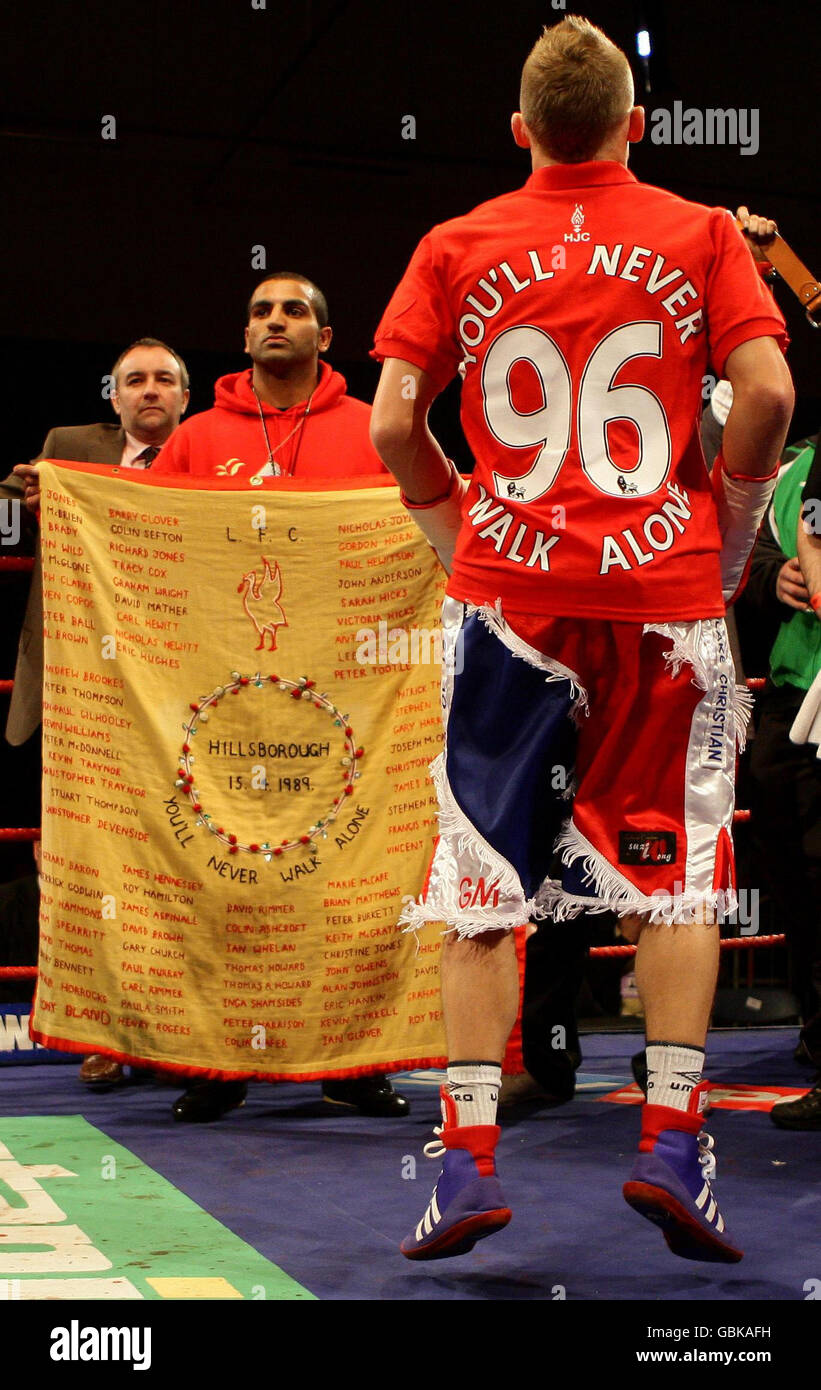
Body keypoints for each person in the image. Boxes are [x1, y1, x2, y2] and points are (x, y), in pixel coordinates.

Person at [370, 16, 793, 1262]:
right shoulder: (700, 230)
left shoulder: (455, 241)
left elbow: (396, 422)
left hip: (509, 599)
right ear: (636, 125)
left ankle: (462, 1163)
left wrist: (459, 534)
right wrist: (722, 536)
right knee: (676, 878)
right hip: (657, 596)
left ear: (518, 133)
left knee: (482, 894)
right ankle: (669, 1142)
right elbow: (765, 394)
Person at [154, 271, 408, 1122]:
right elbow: (148, 541)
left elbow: (419, 526)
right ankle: (216, 1064)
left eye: (293, 310)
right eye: (260, 309)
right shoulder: (194, 437)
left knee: (343, 875)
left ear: (324, 336)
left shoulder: (373, 427)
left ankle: (353, 1062)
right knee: (221, 875)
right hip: (223, 699)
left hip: (347, 698)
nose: (274, 320)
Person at [6, 338, 191, 1088]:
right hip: (75, 686)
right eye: (134, 381)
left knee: (179, 866)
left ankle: (186, 1031)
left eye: (164, 381)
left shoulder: (215, 457)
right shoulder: (70, 448)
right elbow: (13, 492)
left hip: (180, 693)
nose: (149, 391)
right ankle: (105, 1030)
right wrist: (23, 493)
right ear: (112, 397)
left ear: (186, 396)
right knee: (81, 869)